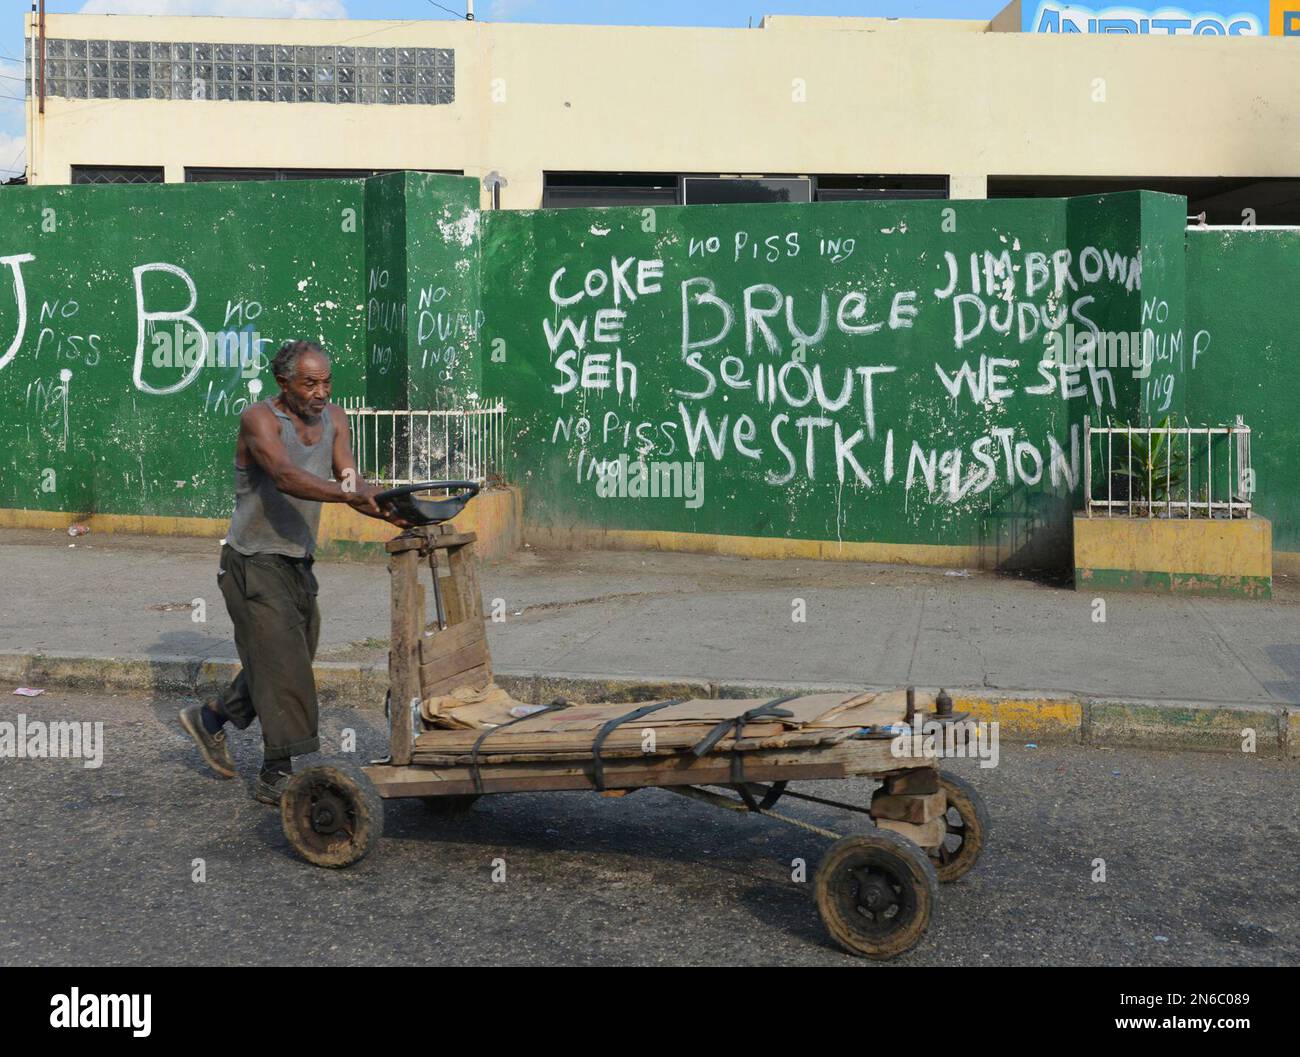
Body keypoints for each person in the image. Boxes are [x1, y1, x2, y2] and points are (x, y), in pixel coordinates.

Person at [179, 340, 406, 803]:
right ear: (283, 384)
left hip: (298, 561)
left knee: (285, 658)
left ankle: (212, 718)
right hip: (251, 563)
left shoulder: (336, 419)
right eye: (310, 383)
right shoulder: (259, 420)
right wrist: (347, 496)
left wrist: (390, 508)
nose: (321, 393)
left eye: (326, 382)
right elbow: (283, 475)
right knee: (284, 667)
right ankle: (277, 771)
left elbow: (349, 480)